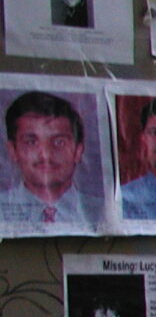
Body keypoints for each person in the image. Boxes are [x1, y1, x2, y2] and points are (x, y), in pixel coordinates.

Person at [1, 91, 92, 229]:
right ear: (13, 150)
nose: (46, 155)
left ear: (78, 151)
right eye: (31, 142)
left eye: (59, 142)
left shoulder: (100, 210)